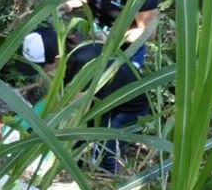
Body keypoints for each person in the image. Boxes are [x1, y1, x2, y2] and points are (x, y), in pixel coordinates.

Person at [21, 26, 151, 173]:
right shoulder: (70, 52)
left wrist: (50, 162)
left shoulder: (83, 70)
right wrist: (22, 124)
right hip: (103, 96)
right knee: (79, 147)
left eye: (40, 66)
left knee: (102, 154)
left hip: (128, 106)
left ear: (57, 59)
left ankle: (110, 183)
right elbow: (54, 99)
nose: (39, 71)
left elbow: (76, 120)